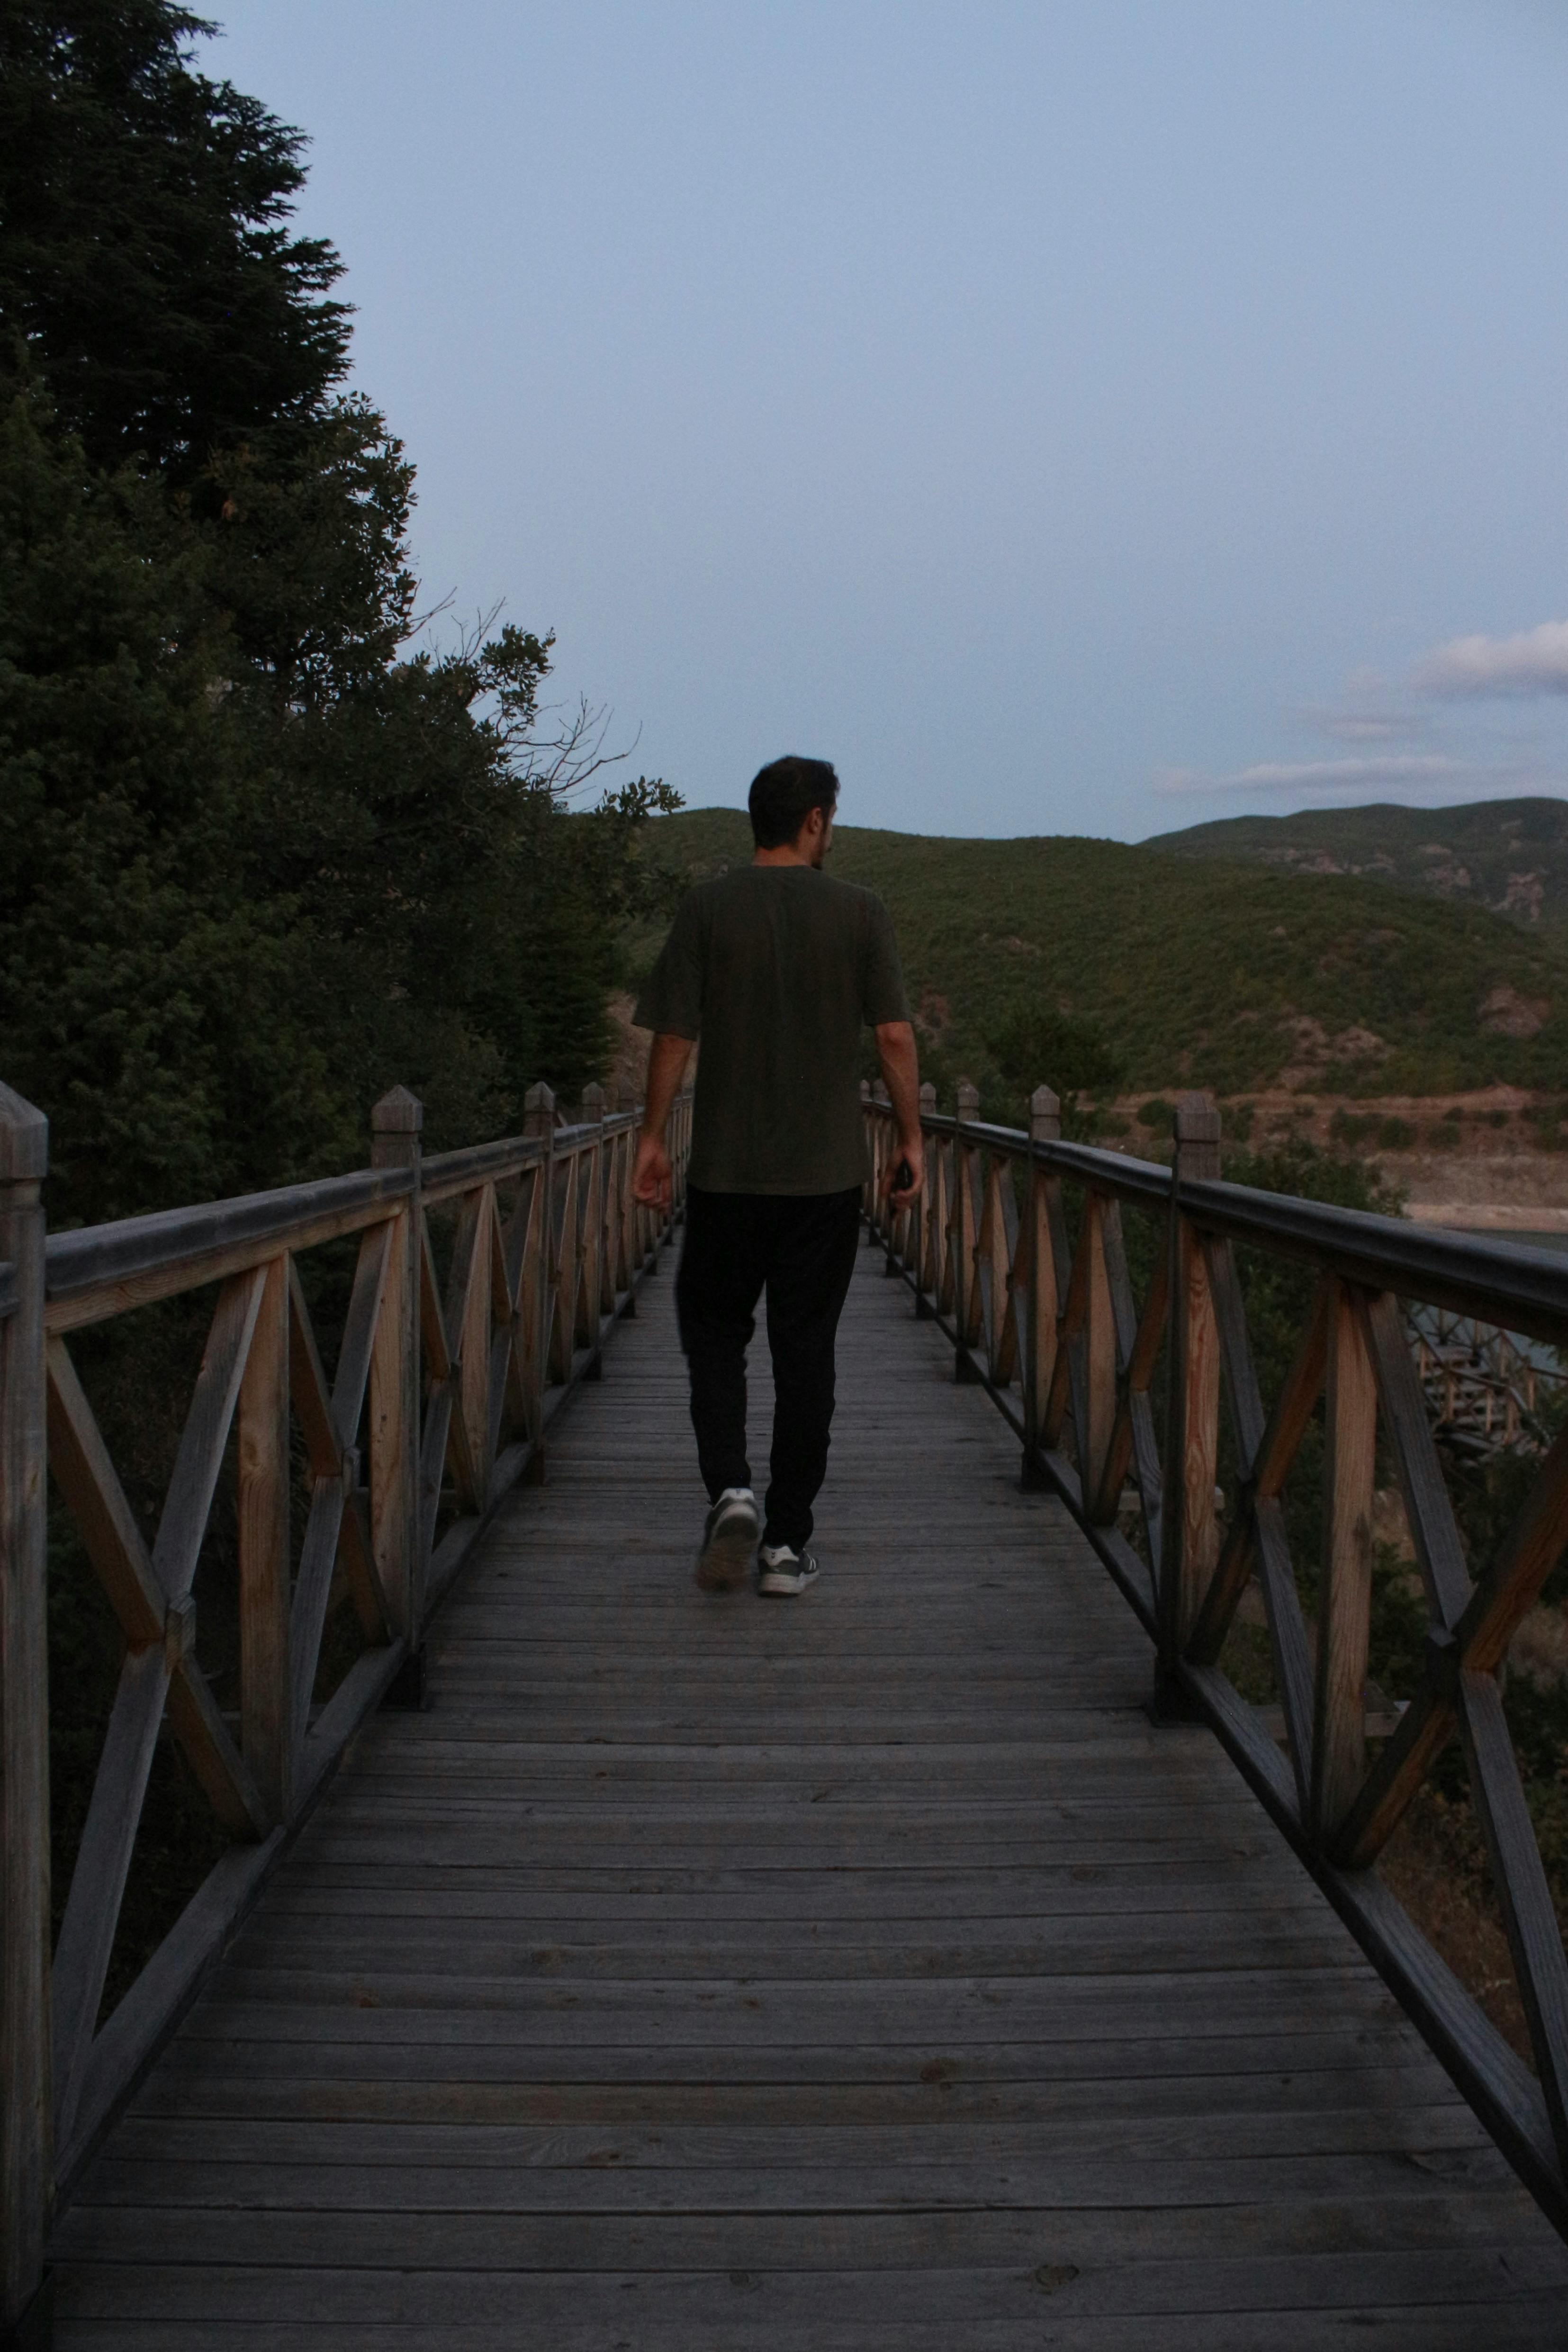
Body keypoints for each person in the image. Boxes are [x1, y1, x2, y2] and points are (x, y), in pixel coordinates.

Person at [631, 756, 924, 1596]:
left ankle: (730, 1489)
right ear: (814, 823)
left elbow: (673, 1037)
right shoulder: (860, 913)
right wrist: (912, 1138)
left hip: (725, 1173)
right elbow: (896, 1037)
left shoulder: (708, 908)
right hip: (826, 1181)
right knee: (807, 1355)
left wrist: (653, 1136)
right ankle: (787, 1547)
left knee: (715, 1334)